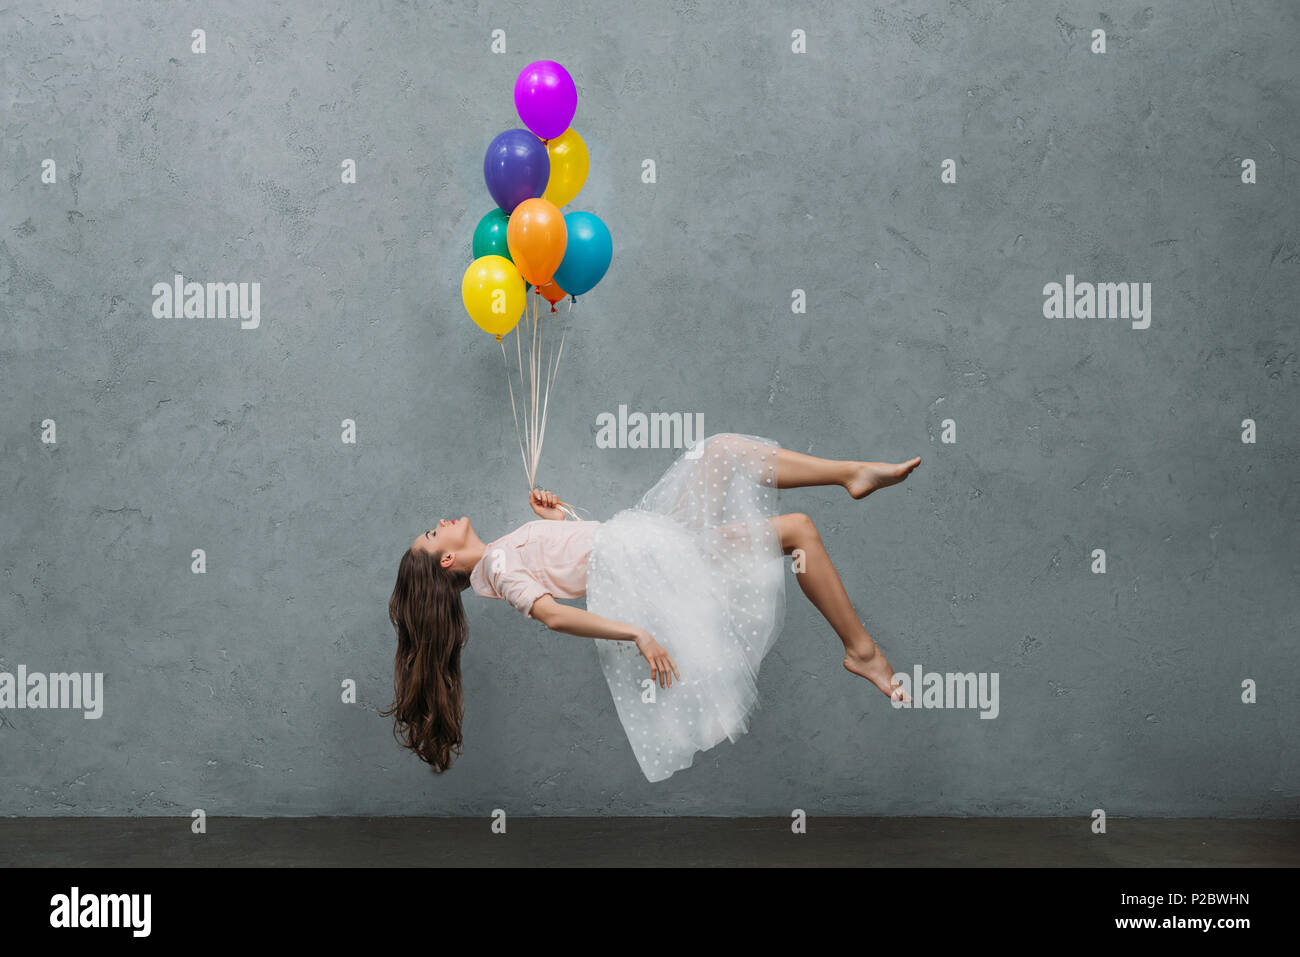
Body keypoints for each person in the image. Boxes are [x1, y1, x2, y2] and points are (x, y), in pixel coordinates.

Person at [385, 433, 920, 782]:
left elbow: (577, 565)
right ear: (448, 556)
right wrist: (635, 633)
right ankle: (852, 476)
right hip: (645, 560)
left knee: (796, 529)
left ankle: (861, 650)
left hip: (642, 552)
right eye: (435, 533)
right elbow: (552, 613)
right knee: (720, 455)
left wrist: (556, 523)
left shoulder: (501, 559)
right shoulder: (498, 568)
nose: (442, 520)